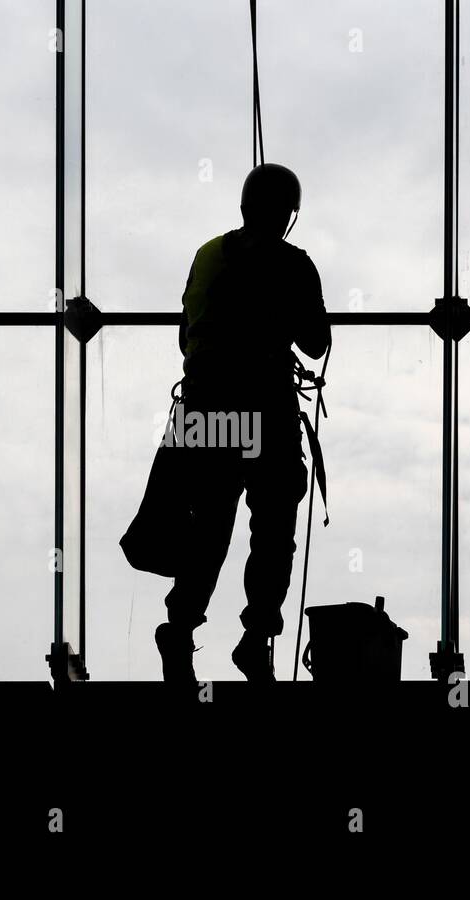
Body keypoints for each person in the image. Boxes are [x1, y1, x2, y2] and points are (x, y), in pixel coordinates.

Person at [154, 163, 330, 684]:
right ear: (287, 214)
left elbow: (188, 336)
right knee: (273, 524)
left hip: (204, 405)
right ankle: (255, 640)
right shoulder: (292, 262)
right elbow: (315, 343)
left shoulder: (205, 255)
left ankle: (180, 628)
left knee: (208, 524)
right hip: (262, 405)